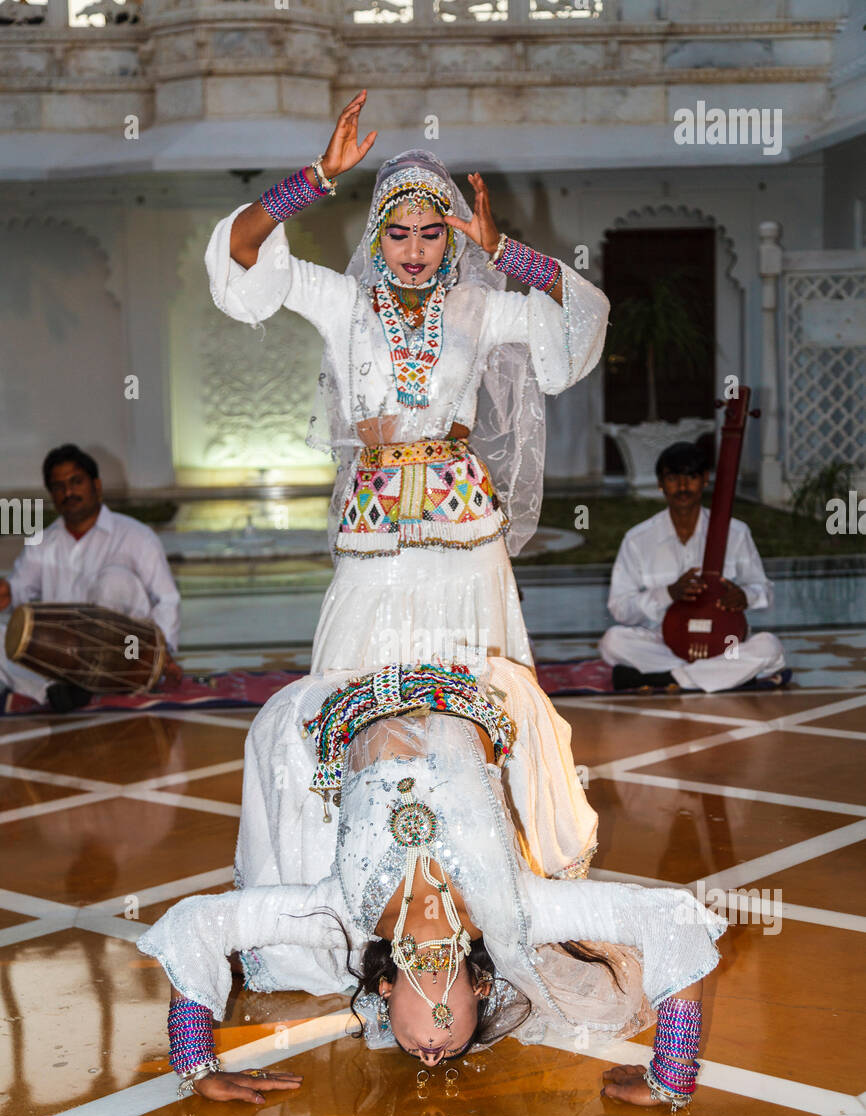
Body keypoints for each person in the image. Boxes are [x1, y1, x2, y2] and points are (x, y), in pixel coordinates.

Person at [138, 657, 726, 1110]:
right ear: (483, 993)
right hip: (467, 684)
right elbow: (672, 916)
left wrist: (199, 1068)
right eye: (452, 1049)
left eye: (413, 1052)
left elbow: (195, 923)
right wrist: (669, 1077)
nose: (429, 1056)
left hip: (339, 703)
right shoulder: (519, 913)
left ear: (386, 993)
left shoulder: (339, 915)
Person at [205, 90, 609, 673]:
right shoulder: (342, 301)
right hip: (374, 523)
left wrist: (502, 252)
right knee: (359, 686)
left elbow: (583, 312)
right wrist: (315, 178)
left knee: (473, 693)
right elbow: (241, 249)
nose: (415, 250)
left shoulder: (480, 306)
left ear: (452, 238)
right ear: (376, 236)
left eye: (431, 233)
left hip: (467, 526)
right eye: (398, 234)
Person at [0, 444, 182, 712]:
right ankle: (53, 691)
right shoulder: (42, 542)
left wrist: (163, 651)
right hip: (60, 659)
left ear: (96, 485)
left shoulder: (136, 536)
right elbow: (19, 589)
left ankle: (92, 682)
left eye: (76, 482)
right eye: (58, 486)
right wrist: (7, 592)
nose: (68, 492)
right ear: (51, 494)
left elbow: (167, 599)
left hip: (125, 660)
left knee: (115, 582)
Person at [599, 441, 787, 693]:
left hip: (725, 641)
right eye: (673, 477)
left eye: (691, 476)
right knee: (612, 641)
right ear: (660, 484)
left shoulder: (735, 532)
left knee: (769, 647)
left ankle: (668, 678)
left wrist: (745, 596)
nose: (683, 485)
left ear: (705, 480)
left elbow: (764, 590)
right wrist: (667, 593)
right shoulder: (638, 539)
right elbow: (620, 609)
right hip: (663, 643)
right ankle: (718, 676)